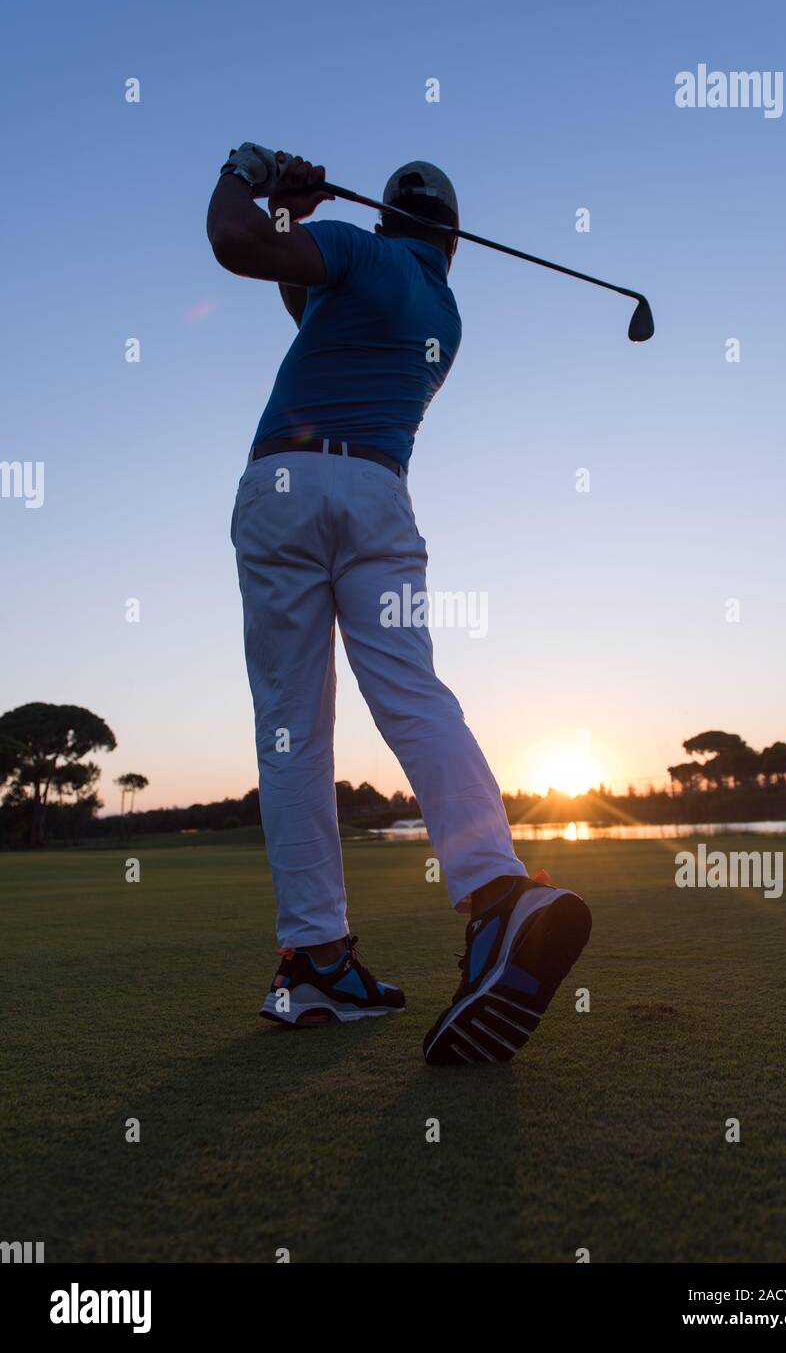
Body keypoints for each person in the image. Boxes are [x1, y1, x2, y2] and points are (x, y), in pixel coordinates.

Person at [206, 145, 591, 1063]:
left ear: (382, 220)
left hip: (287, 485)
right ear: (450, 242)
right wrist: (297, 222)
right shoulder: (442, 314)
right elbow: (308, 305)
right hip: (380, 499)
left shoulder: (361, 251)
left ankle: (316, 958)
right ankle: (498, 893)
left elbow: (234, 242)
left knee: (293, 729)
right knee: (416, 695)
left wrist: (248, 173)